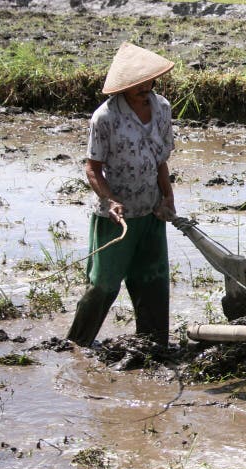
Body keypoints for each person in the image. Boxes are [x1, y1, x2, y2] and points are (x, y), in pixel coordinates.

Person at [67, 42, 177, 347]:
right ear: (124, 86)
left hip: (151, 212)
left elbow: (161, 161)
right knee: (102, 285)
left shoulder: (162, 109)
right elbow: (92, 167)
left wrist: (167, 198)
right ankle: (76, 345)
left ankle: (154, 347)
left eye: (148, 81)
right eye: (137, 84)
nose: (145, 88)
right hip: (117, 219)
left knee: (152, 282)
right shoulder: (105, 118)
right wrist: (110, 200)